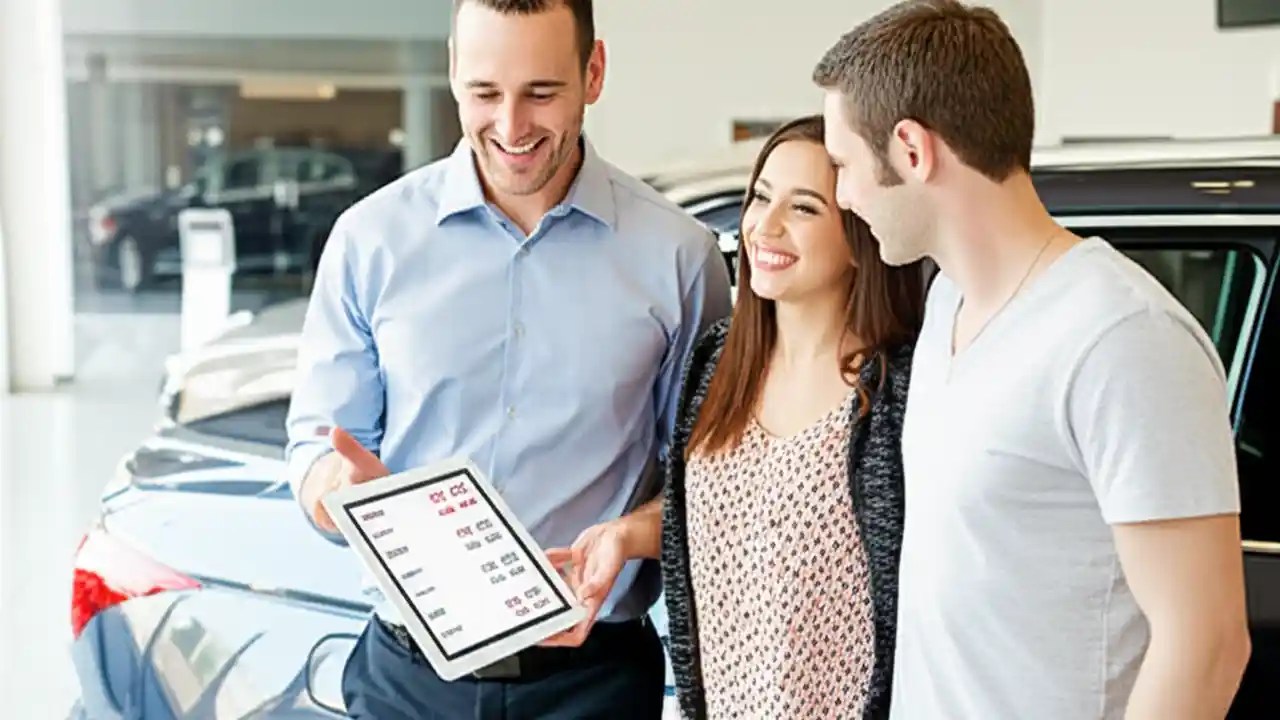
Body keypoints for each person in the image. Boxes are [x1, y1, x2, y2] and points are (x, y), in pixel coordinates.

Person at [283, 0, 733, 716]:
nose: (513, 127)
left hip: (595, 685)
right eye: (486, 93)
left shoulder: (680, 258)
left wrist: (630, 535)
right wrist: (335, 487)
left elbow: (711, 478)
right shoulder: (369, 241)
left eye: (542, 93)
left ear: (594, 73)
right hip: (407, 679)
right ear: (454, 72)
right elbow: (314, 445)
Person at [812, 2, 1252, 718]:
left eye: (843, 164)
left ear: (912, 150)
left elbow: (1205, 646)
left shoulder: (1121, 337)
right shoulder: (948, 302)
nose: (842, 195)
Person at [548, 115, 925, 720]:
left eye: (804, 209)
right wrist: (625, 536)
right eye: (761, 197)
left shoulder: (898, 391)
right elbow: (735, 524)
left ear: (859, 234)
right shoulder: (718, 362)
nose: (765, 227)